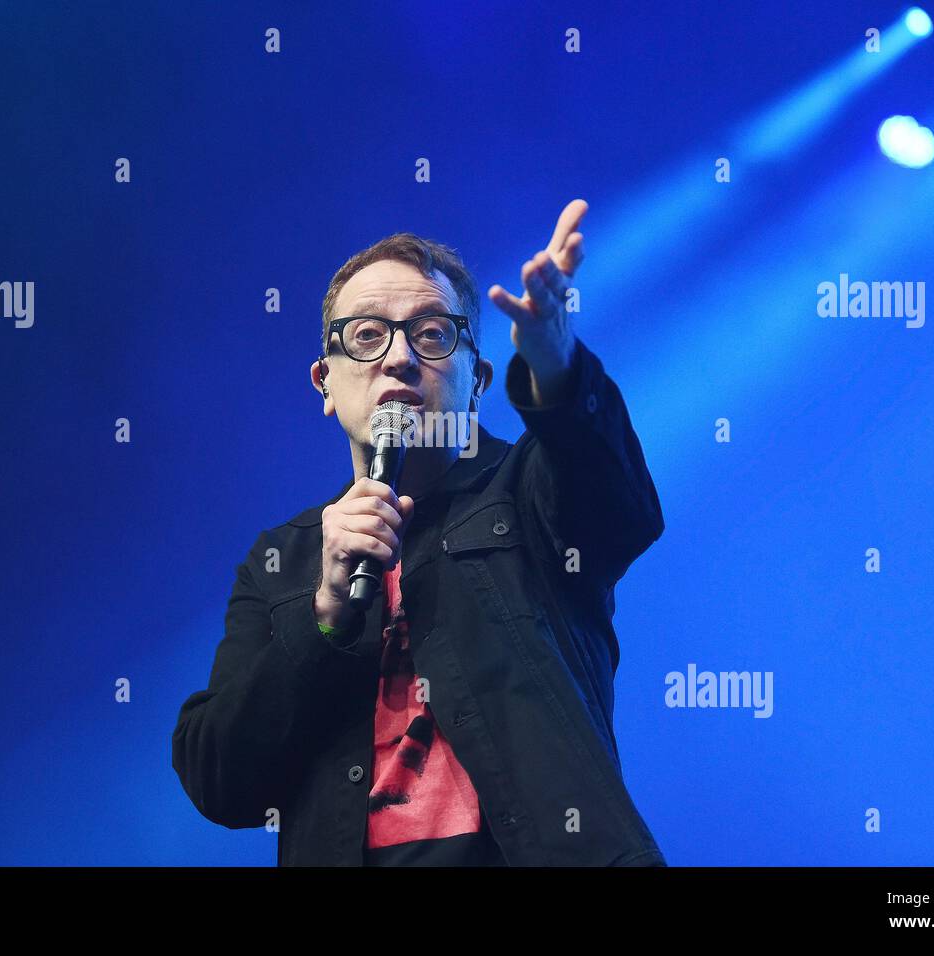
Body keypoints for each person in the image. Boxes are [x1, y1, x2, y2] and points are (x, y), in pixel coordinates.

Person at [172, 199, 668, 866]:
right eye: (368, 335)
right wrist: (323, 617)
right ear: (326, 381)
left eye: (433, 334)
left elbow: (621, 511)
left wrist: (556, 366)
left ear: (478, 382)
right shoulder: (283, 560)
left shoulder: (532, 487)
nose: (401, 358)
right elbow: (220, 781)